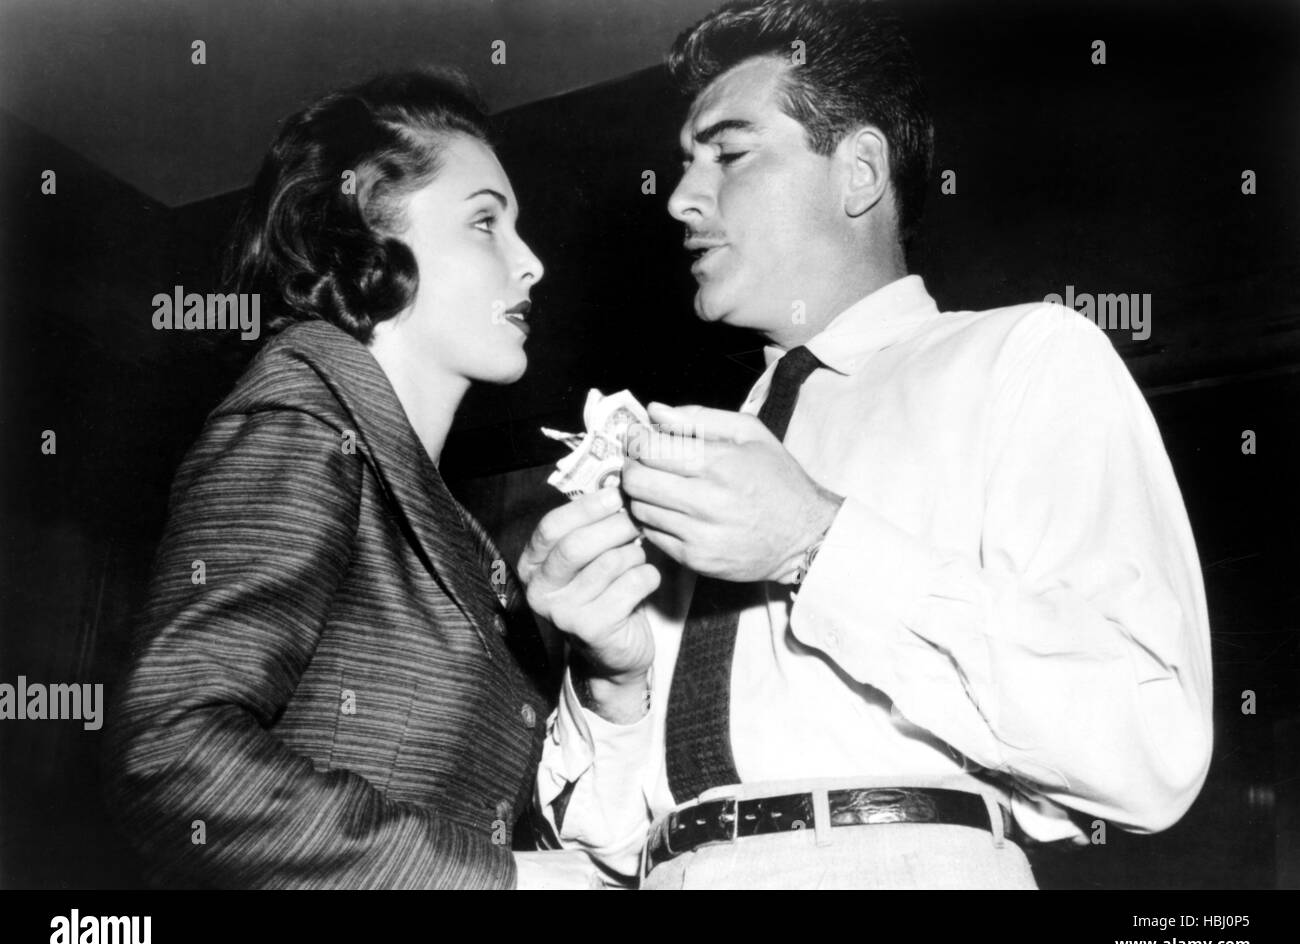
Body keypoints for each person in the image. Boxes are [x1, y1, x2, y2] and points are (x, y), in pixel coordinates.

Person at [521, 0, 1213, 888]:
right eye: (686, 166)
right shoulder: (696, 454)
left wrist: (818, 541)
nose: (684, 200)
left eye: (729, 154)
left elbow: (1151, 742)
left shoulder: (1025, 357)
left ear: (859, 173)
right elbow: (616, 846)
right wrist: (611, 683)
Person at [105, 69, 599, 889]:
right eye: (485, 222)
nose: (532, 262)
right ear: (370, 235)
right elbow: (171, 752)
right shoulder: (302, 410)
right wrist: (505, 882)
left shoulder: (429, 503)